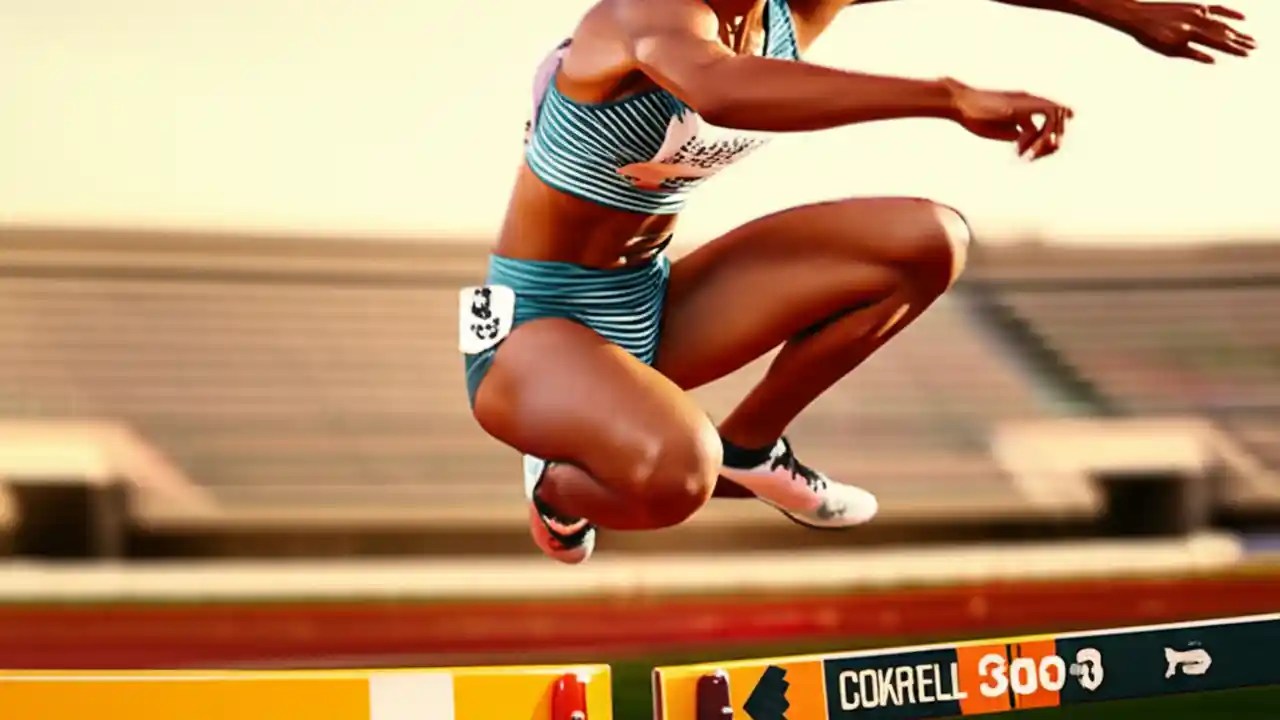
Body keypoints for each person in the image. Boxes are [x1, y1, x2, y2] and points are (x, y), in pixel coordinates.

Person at [458, 0, 1254, 564]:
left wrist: (1128, 13)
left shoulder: (790, 12)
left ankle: (751, 446)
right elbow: (723, 89)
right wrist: (946, 97)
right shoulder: (643, 15)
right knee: (676, 474)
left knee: (928, 241)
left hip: (653, 300)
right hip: (533, 331)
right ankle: (556, 491)